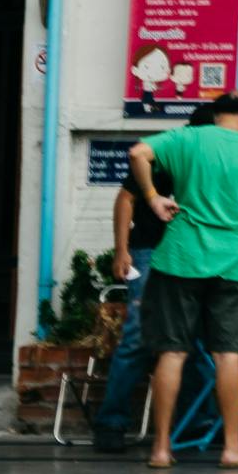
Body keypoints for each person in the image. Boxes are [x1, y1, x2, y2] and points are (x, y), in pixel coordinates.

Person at [139, 89, 238, 469]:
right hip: (233, 266)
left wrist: (154, 196)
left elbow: (138, 153)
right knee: (229, 354)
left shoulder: (188, 138)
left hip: (178, 258)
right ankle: (232, 449)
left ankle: (160, 450)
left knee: (171, 352)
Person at [90, 120, 187, 449]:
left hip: (194, 255)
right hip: (149, 251)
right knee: (137, 336)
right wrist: (122, 250)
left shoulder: (217, 161)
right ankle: (111, 423)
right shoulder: (164, 158)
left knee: (198, 339)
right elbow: (125, 199)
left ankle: (198, 423)